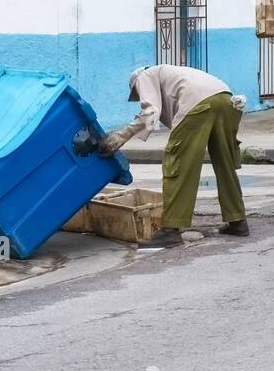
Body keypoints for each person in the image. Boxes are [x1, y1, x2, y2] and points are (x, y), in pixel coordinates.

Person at [98, 64, 247, 248]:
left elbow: (151, 112)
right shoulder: (174, 73)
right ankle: (238, 221)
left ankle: (171, 230)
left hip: (198, 105)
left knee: (177, 165)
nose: (140, 97)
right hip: (227, 100)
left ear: (136, 84)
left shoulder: (144, 76)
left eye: (138, 94)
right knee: (225, 165)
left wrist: (119, 137)